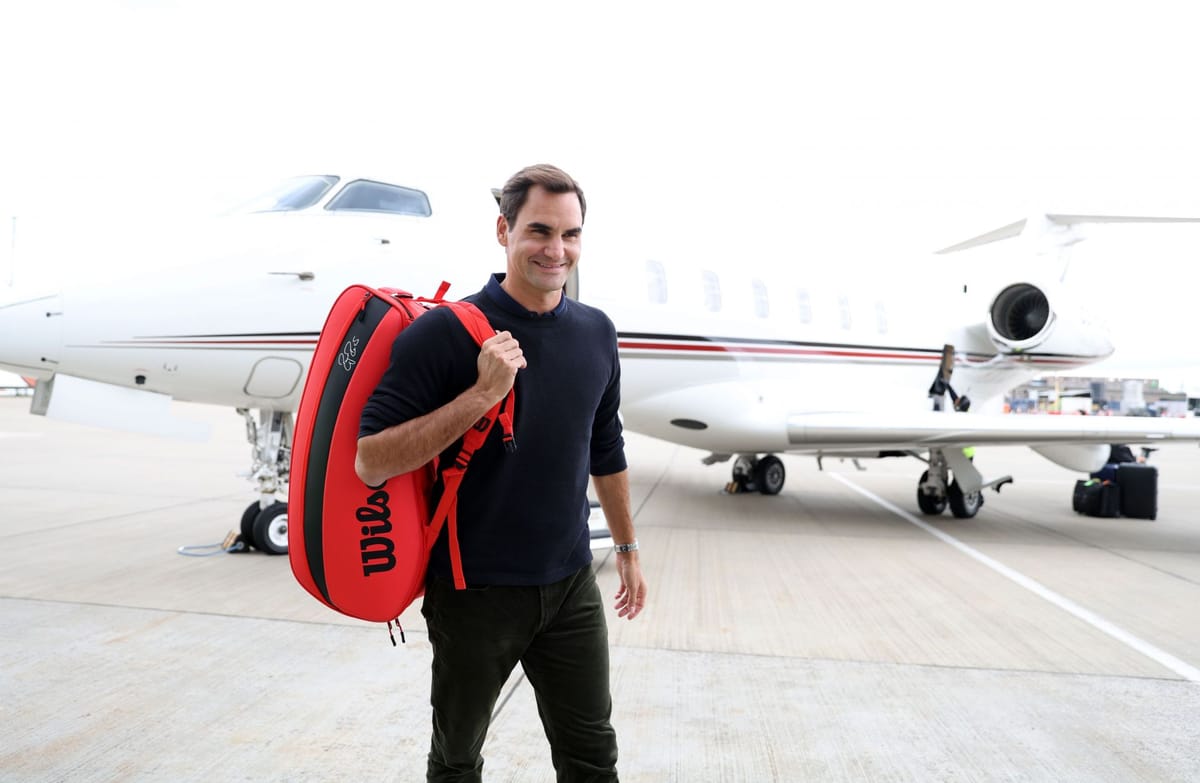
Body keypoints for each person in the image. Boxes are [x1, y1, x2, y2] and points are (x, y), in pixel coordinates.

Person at [355, 163, 646, 782]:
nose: (555, 249)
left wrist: (626, 548)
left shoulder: (596, 332)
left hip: (570, 584)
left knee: (593, 753)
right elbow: (371, 459)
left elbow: (606, 444)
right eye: (539, 230)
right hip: (474, 593)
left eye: (570, 234)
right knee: (457, 759)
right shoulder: (445, 334)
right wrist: (481, 395)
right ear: (503, 230)